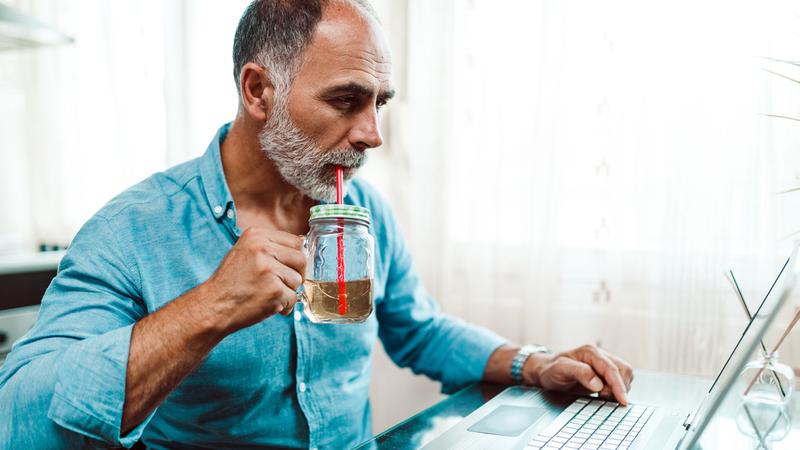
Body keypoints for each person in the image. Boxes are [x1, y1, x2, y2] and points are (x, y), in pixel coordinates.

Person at [0, 1, 633, 449]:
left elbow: (417, 327)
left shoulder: (365, 213)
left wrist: (534, 362)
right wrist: (210, 307)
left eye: (379, 103)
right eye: (346, 100)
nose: (373, 135)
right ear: (257, 91)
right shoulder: (134, 231)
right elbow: (17, 420)